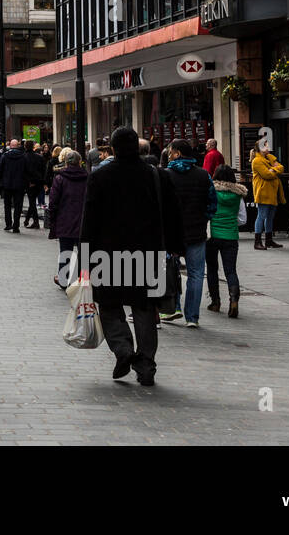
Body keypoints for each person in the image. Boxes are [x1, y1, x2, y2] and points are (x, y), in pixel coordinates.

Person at [79, 127, 182, 386]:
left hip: (107, 254)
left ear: (112, 149)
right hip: (148, 253)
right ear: (137, 147)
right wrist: (175, 248)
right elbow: (172, 215)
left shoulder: (99, 177)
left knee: (110, 306)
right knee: (145, 309)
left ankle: (123, 349)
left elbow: (89, 221)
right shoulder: (157, 176)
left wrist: (83, 259)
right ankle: (146, 364)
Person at [165, 139, 217, 328]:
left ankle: (174, 307)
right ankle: (192, 317)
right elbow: (212, 202)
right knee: (196, 274)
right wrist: (204, 218)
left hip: (172, 233)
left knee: (171, 270)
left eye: (171, 151)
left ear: (177, 153)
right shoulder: (203, 175)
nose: (169, 154)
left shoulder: (166, 175)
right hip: (196, 231)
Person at [207, 164, 246, 317]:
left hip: (212, 235)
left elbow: (206, 211)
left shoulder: (211, 191)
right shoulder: (238, 194)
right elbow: (243, 219)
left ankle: (215, 302)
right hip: (230, 236)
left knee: (211, 269)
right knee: (230, 270)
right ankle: (234, 299)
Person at [47, 149, 88, 288]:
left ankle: (63, 280)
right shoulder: (88, 178)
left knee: (65, 252)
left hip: (65, 221)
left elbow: (53, 202)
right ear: (80, 162)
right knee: (84, 253)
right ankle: (84, 280)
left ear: (66, 162)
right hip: (84, 222)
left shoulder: (60, 178)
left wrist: (53, 220)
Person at [251, 144, 287, 249]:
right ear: (260, 149)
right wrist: (274, 170)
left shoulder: (270, 157)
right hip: (263, 191)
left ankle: (268, 240)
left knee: (270, 217)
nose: (268, 148)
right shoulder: (257, 160)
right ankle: (257, 242)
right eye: (266, 146)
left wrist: (273, 170)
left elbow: (281, 167)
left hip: (272, 191)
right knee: (261, 216)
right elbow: (267, 175)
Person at [0, 139, 29, 233]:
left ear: (10, 146)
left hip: (7, 184)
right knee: (18, 206)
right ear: (18, 146)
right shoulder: (23, 156)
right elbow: (27, 171)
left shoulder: (5, 156)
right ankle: (16, 226)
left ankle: (8, 224)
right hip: (20, 185)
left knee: (7, 205)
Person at [24, 142, 45, 228]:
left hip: (30, 183)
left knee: (32, 202)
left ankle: (36, 222)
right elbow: (43, 170)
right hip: (39, 182)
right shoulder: (39, 157)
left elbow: (25, 171)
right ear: (33, 147)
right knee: (32, 202)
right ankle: (27, 220)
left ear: (25, 147)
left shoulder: (24, 157)